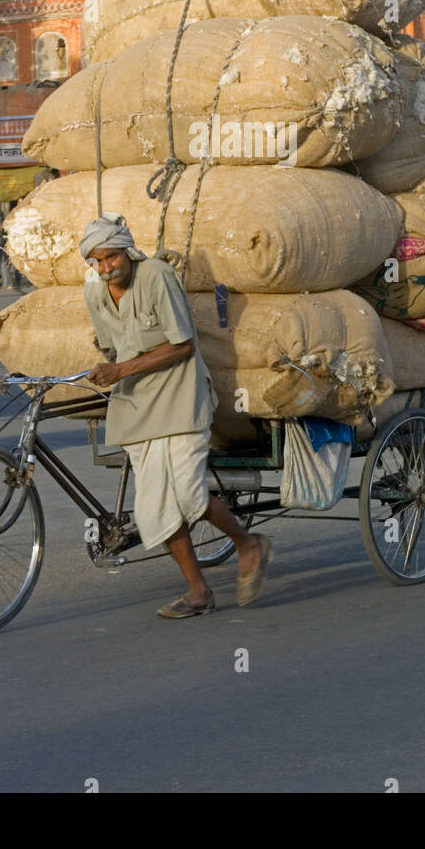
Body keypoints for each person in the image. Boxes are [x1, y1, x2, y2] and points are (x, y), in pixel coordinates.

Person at [81, 214, 271, 619]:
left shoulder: (156, 275)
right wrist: (104, 370)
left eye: (110, 257)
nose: (104, 268)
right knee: (155, 511)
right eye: (95, 261)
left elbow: (183, 345)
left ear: (127, 251)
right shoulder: (95, 293)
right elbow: (110, 349)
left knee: (188, 494)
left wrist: (121, 370)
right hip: (137, 407)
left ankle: (247, 543)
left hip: (181, 397)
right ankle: (198, 592)